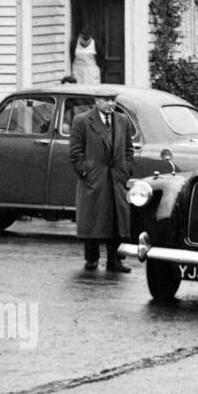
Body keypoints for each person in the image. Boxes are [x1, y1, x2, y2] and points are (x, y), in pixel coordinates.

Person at [68, 91, 134, 274]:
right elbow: (75, 153)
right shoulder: (82, 121)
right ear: (97, 101)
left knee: (116, 222)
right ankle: (92, 259)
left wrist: (126, 169)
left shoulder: (122, 121)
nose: (111, 104)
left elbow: (129, 149)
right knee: (93, 221)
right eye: (107, 100)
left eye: (113, 100)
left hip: (117, 180)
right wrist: (86, 171)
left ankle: (115, 261)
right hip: (94, 180)